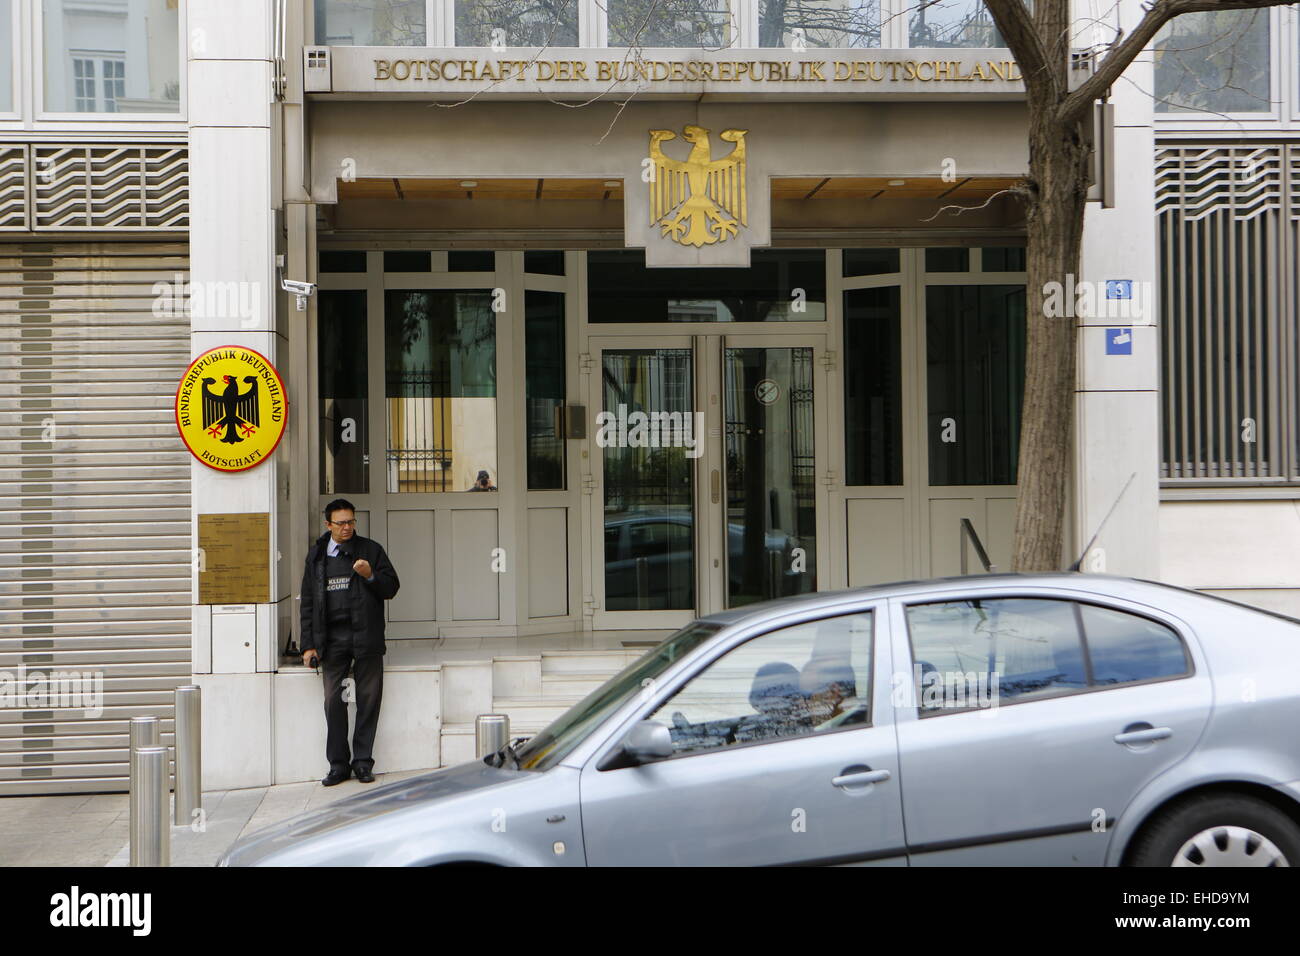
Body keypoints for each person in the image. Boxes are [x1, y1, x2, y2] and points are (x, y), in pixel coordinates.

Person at [300, 499, 400, 786]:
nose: (347, 527)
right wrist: (308, 645)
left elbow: (391, 587)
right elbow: (307, 601)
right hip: (331, 640)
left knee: (369, 700)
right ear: (328, 524)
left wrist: (370, 576)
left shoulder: (370, 550)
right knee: (333, 701)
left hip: (366, 636)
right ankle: (338, 765)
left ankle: (363, 762)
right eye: (341, 523)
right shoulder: (317, 555)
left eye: (351, 522)